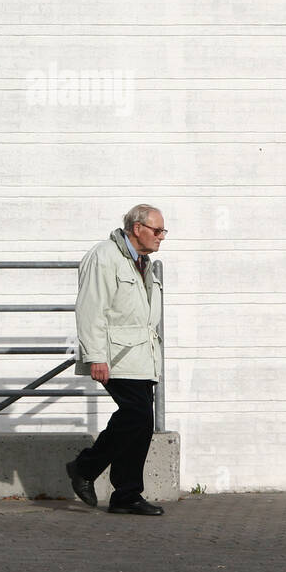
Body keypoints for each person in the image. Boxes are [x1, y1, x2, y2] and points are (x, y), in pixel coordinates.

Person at [65, 204, 167, 515]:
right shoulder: (105, 257)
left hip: (140, 355)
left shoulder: (142, 262)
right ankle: (85, 468)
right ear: (137, 228)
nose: (162, 237)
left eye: (164, 231)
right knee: (135, 415)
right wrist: (96, 356)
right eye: (157, 230)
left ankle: (126, 495)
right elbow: (90, 309)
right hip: (115, 354)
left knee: (141, 423)